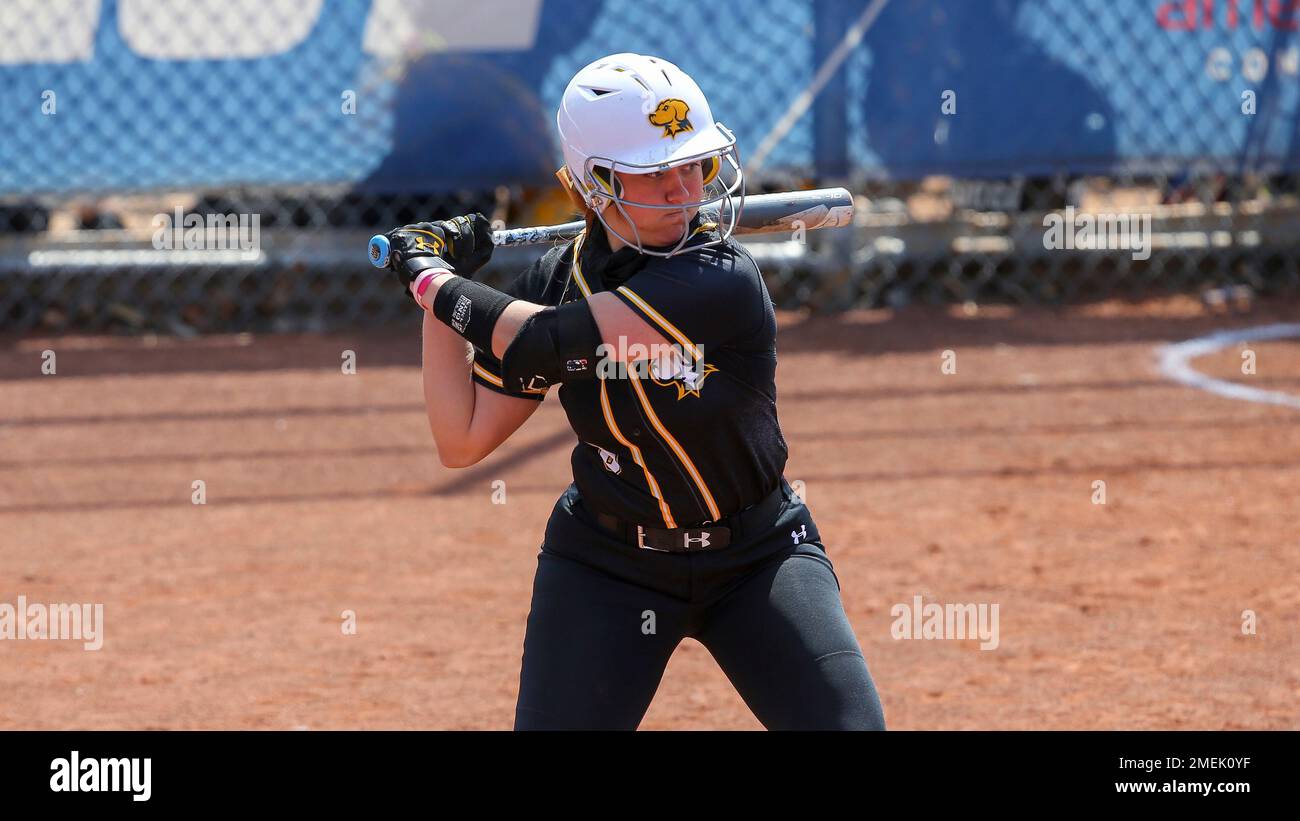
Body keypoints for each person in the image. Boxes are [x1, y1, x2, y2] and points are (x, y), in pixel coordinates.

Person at [384, 53, 886, 730]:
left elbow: (546, 344)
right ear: (595, 183)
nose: (685, 190)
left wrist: (429, 278)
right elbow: (461, 437)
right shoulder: (556, 283)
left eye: (695, 166)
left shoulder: (719, 276)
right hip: (606, 564)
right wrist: (439, 295)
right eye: (658, 174)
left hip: (758, 556)